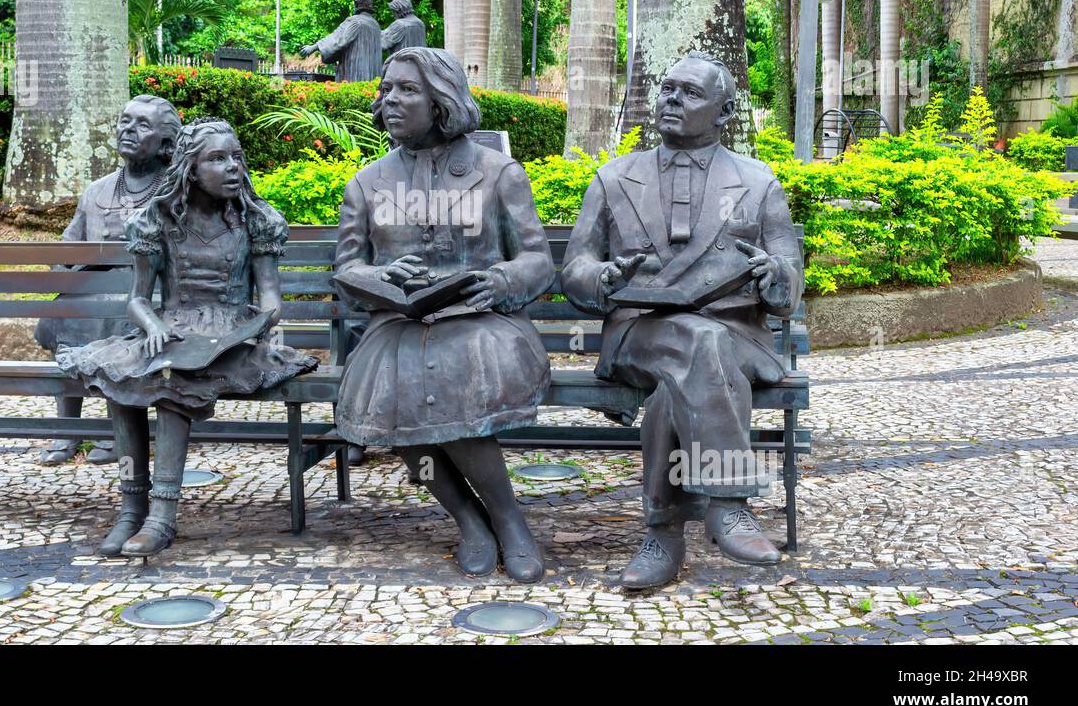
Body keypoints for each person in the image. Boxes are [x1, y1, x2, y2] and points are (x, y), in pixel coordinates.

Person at [561, 51, 803, 588]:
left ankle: (662, 534)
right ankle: (727, 502)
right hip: (639, 332)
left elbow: (789, 274)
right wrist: (602, 279)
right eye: (667, 88)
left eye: (690, 92)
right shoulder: (614, 178)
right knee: (696, 346)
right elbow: (575, 265)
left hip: (737, 334)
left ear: (723, 112)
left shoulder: (758, 182)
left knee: (689, 363)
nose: (671, 98)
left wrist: (771, 276)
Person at [333, 47, 555, 582]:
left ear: (442, 100)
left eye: (407, 89)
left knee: (451, 373)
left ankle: (508, 520)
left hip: (483, 324)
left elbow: (537, 259)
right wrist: (380, 279)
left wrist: (497, 280)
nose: (390, 100)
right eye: (386, 89)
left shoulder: (498, 173)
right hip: (400, 325)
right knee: (397, 384)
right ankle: (470, 522)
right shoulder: (368, 183)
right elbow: (346, 267)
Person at [56, 119, 319, 558]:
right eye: (218, 159)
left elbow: (270, 298)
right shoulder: (155, 222)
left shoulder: (257, 220)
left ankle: (162, 516)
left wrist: (259, 326)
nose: (233, 167)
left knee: (172, 381)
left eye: (237, 157)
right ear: (190, 169)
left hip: (234, 337)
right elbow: (138, 300)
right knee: (119, 383)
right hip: (174, 327)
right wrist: (154, 324)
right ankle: (130, 506)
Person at [34, 94, 182, 465]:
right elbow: (68, 249)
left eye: (142, 124)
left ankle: (118, 432)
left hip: (148, 296)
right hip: (89, 297)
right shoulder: (96, 191)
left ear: (167, 143)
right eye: (125, 121)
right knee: (69, 317)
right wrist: (65, 281)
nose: (128, 130)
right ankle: (66, 431)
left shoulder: (177, 192)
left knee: (115, 316)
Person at [299, 0, 382, 82]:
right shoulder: (375, 25)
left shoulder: (355, 21)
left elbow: (337, 39)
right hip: (373, 78)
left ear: (356, 4)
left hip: (354, 74)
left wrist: (313, 47)